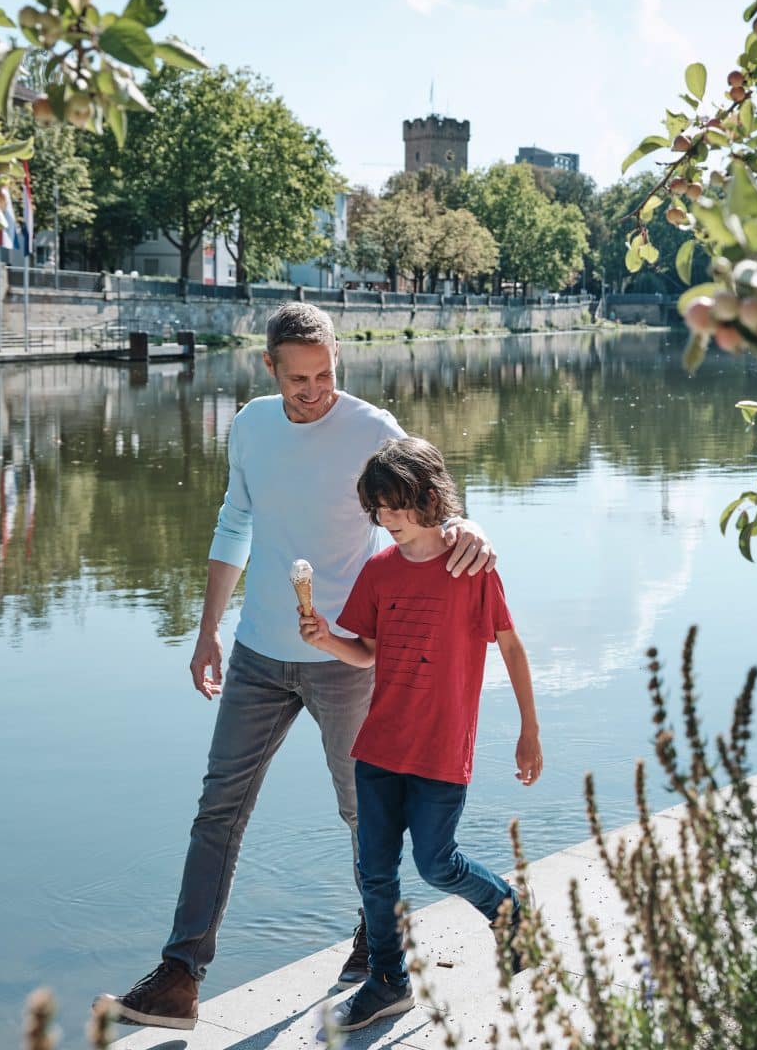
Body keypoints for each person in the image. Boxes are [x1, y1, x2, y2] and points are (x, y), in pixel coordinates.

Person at [96, 303, 495, 1032]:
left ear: (337, 360)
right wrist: (208, 630)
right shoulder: (251, 425)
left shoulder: (372, 428)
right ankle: (181, 975)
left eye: (324, 375)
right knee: (219, 809)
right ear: (269, 368)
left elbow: (432, 502)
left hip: (347, 658)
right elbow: (234, 521)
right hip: (258, 653)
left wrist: (468, 527)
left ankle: (379, 944)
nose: (313, 391)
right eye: (297, 379)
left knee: (363, 813)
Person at [299, 436, 542, 1033]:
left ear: (430, 497)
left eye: (396, 505)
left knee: (436, 863)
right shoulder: (378, 572)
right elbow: (368, 653)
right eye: (377, 508)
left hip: (440, 750)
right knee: (375, 870)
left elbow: (511, 647)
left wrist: (529, 730)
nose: (387, 519)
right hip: (379, 747)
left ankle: (509, 908)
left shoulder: (473, 570)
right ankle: (388, 981)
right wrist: (327, 640)